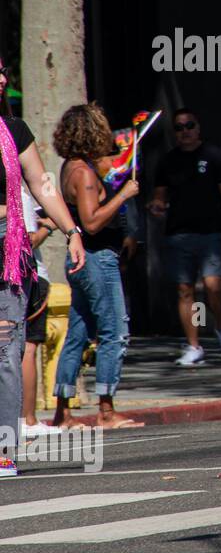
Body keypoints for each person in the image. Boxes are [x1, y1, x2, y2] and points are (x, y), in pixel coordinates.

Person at [0, 61, 86, 474]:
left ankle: (4, 449)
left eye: (3, 72)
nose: (2, 79)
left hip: (7, 242)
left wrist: (72, 231)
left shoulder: (14, 131)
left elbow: (42, 184)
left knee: (6, 348)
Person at [50, 104, 142, 431]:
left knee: (77, 333)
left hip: (81, 259)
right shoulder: (84, 174)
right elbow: (91, 222)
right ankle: (106, 409)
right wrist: (125, 194)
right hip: (97, 257)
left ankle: (63, 411)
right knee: (114, 332)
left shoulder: (70, 168)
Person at [148, 108, 221, 366]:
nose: (185, 131)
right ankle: (193, 345)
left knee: (213, 286)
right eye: (179, 127)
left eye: (189, 125)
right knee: (184, 289)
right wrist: (156, 206)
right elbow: (159, 197)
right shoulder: (167, 162)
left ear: (198, 128)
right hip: (178, 234)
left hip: (211, 232)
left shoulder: (215, 156)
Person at [18, 186, 59, 439]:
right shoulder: (19, 193)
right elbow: (29, 239)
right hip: (30, 275)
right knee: (28, 347)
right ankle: (28, 418)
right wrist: (49, 226)